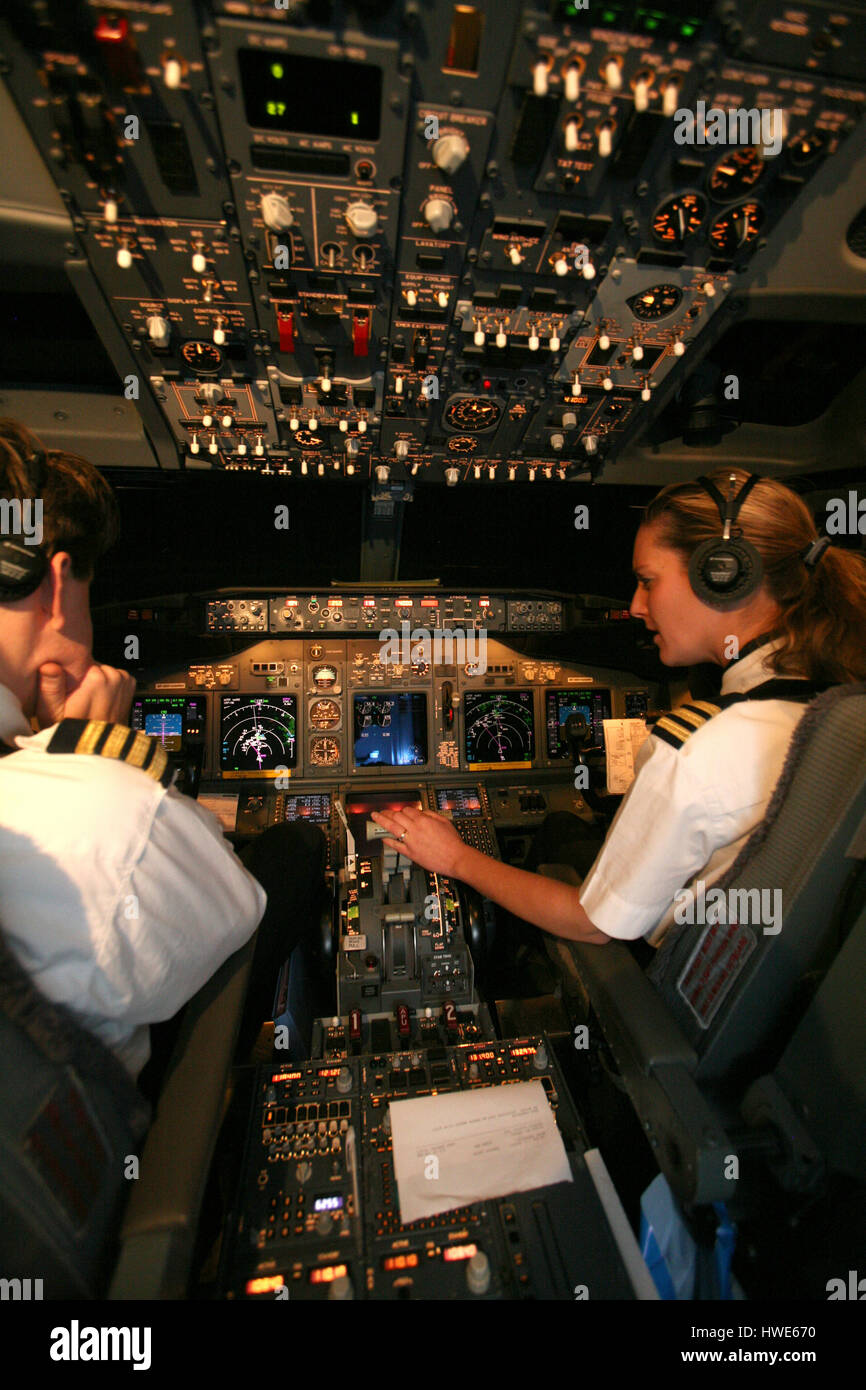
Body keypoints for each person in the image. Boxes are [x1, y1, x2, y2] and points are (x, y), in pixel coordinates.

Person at [372, 468, 866, 949]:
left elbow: (592, 926)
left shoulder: (699, 748)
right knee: (566, 829)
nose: (634, 605)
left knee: (557, 843)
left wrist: (456, 857)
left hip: (654, 980)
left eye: (648, 581)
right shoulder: (840, 707)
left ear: (722, 574)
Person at [0, 418, 293, 1081]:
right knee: (295, 854)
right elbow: (233, 906)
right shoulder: (89, 802)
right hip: (119, 1126)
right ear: (55, 586)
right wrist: (100, 759)